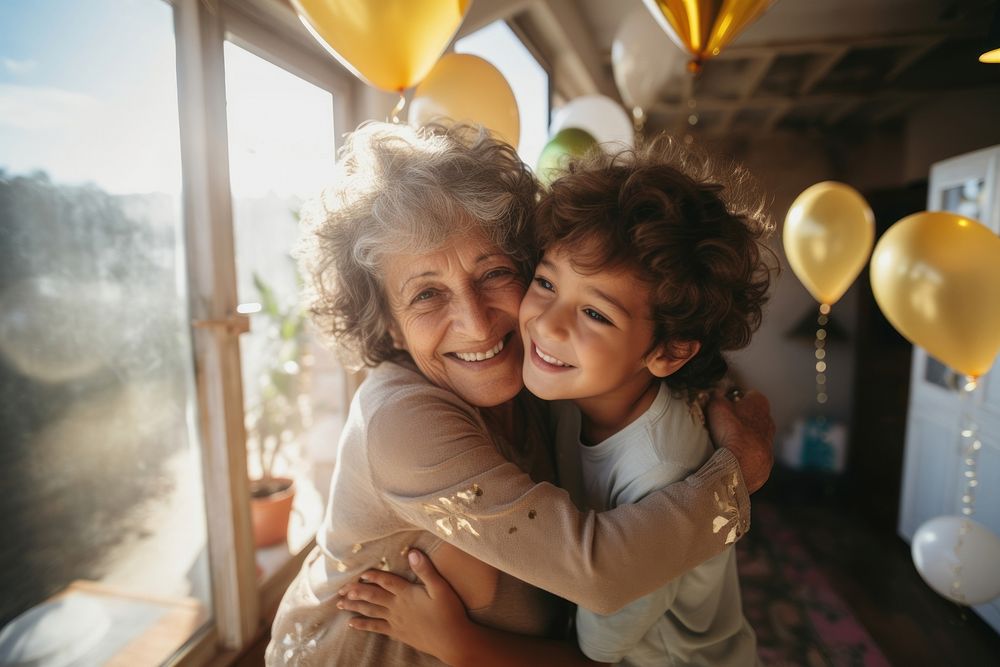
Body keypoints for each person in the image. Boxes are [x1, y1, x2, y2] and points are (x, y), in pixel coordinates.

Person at [266, 121, 774, 666]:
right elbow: (597, 574)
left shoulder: (537, 378)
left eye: (494, 274)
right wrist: (737, 475)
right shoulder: (400, 421)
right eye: (428, 294)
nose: (477, 323)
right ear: (388, 325)